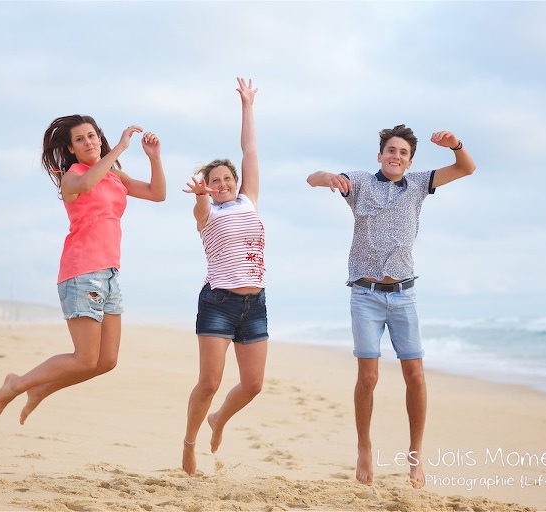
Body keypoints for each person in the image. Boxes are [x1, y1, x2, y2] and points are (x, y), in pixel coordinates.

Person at [306, 125, 475, 488]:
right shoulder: (360, 181)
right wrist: (328, 177)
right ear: (380, 155)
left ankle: (415, 455)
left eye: (403, 153)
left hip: (404, 296)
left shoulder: (418, 184)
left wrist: (455, 145)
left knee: (415, 375)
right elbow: (311, 178)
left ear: (409, 160)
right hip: (365, 295)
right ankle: (364, 446)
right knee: (368, 377)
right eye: (391, 151)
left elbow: (466, 169)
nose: (396, 156)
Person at [0, 115, 166, 425]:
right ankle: (16, 383)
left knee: (106, 361)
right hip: (82, 272)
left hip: (110, 273)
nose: (89, 142)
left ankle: (40, 390)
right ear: (72, 149)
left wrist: (154, 158)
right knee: (84, 357)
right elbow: (87, 184)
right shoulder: (72, 176)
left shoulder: (115, 178)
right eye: (80, 139)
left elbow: (157, 193)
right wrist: (121, 147)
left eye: (92, 136)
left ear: (100, 137)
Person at [181, 78, 267, 476]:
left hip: (255, 304)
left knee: (252, 386)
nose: (222, 184)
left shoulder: (248, 200)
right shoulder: (209, 214)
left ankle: (219, 420)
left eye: (226, 179)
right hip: (218, 302)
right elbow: (200, 211)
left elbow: (249, 150)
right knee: (210, 382)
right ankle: (189, 443)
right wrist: (199, 194)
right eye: (214, 181)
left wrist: (247, 104)